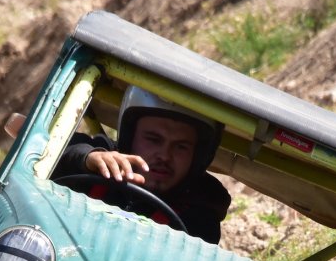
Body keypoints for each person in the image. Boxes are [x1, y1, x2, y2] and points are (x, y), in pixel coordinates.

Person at [53, 86, 230, 244]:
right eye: (153, 140)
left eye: (181, 147)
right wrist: (86, 158)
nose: (164, 156)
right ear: (130, 138)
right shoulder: (99, 156)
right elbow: (50, 149)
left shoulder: (201, 216)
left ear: (197, 157)